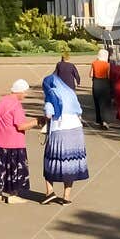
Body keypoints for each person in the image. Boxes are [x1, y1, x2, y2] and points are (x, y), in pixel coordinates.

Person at [40, 73, 89, 203]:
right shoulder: (70, 93)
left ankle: (49, 191)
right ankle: (66, 196)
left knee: (50, 160)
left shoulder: (51, 94)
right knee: (70, 162)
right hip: (76, 130)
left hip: (59, 131)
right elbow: (79, 110)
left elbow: (49, 114)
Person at [0, 78, 35, 204]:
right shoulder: (16, 105)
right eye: (25, 92)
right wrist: (36, 122)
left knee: (1, 168)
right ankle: (12, 195)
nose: (25, 95)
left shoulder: (2, 101)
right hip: (15, 142)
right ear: (19, 91)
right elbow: (21, 126)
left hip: (1, 141)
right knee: (14, 170)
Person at [89, 51, 112, 128]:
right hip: (104, 83)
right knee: (105, 103)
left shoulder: (94, 63)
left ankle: (99, 120)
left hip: (96, 83)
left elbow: (91, 75)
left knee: (97, 103)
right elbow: (109, 76)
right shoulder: (107, 64)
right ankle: (105, 121)